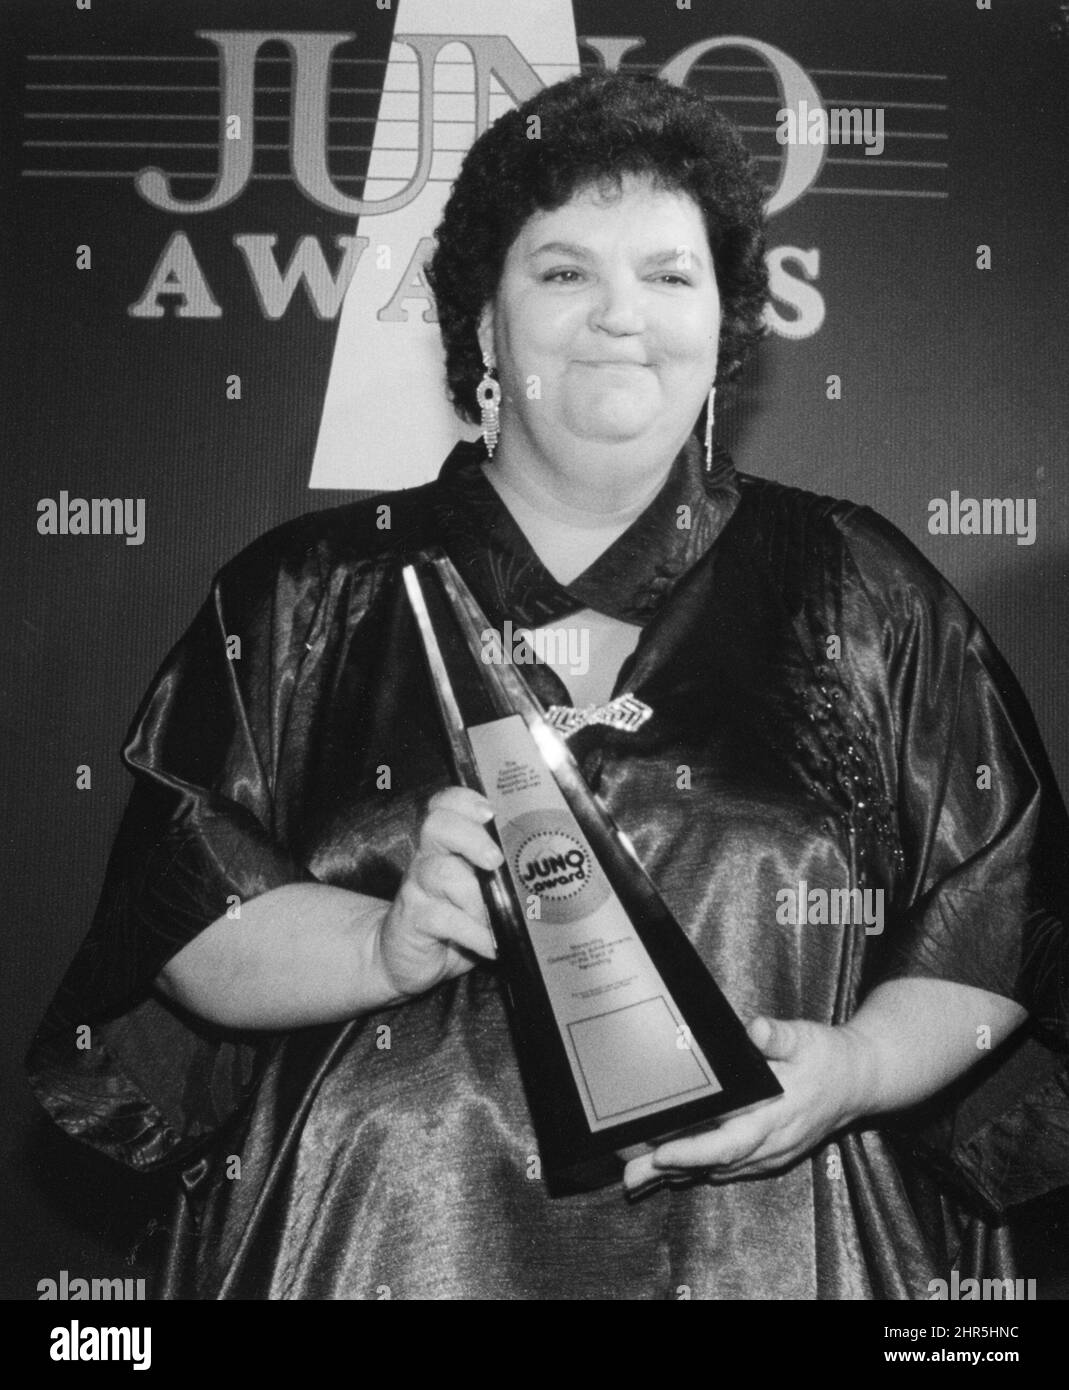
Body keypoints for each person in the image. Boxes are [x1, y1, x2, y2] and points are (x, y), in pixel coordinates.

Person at [27, 71, 1069, 1300]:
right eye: (564, 270)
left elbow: (1003, 922)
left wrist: (847, 1069)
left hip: (784, 1255)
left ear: (729, 324)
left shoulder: (860, 587)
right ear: (480, 320)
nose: (621, 314)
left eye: (671, 275)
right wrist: (381, 937)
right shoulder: (305, 592)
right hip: (371, 1252)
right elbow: (185, 911)